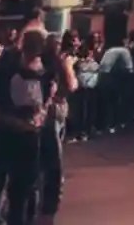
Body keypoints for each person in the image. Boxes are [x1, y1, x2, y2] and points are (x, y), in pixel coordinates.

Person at [39, 32, 76, 220]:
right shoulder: (59, 63)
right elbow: (71, 85)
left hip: (55, 109)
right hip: (53, 110)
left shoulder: (45, 62)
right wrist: (68, 68)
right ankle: (49, 204)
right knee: (54, 159)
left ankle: (45, 200)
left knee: (47, 156)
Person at [98, 35, 134, 132]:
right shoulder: (124, 51)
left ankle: (104, 124)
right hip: (112, 77)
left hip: (102, 76)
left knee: (106, 102)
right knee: (115, 101)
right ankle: (115, 123)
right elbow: (129, 68)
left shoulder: (110, 50)